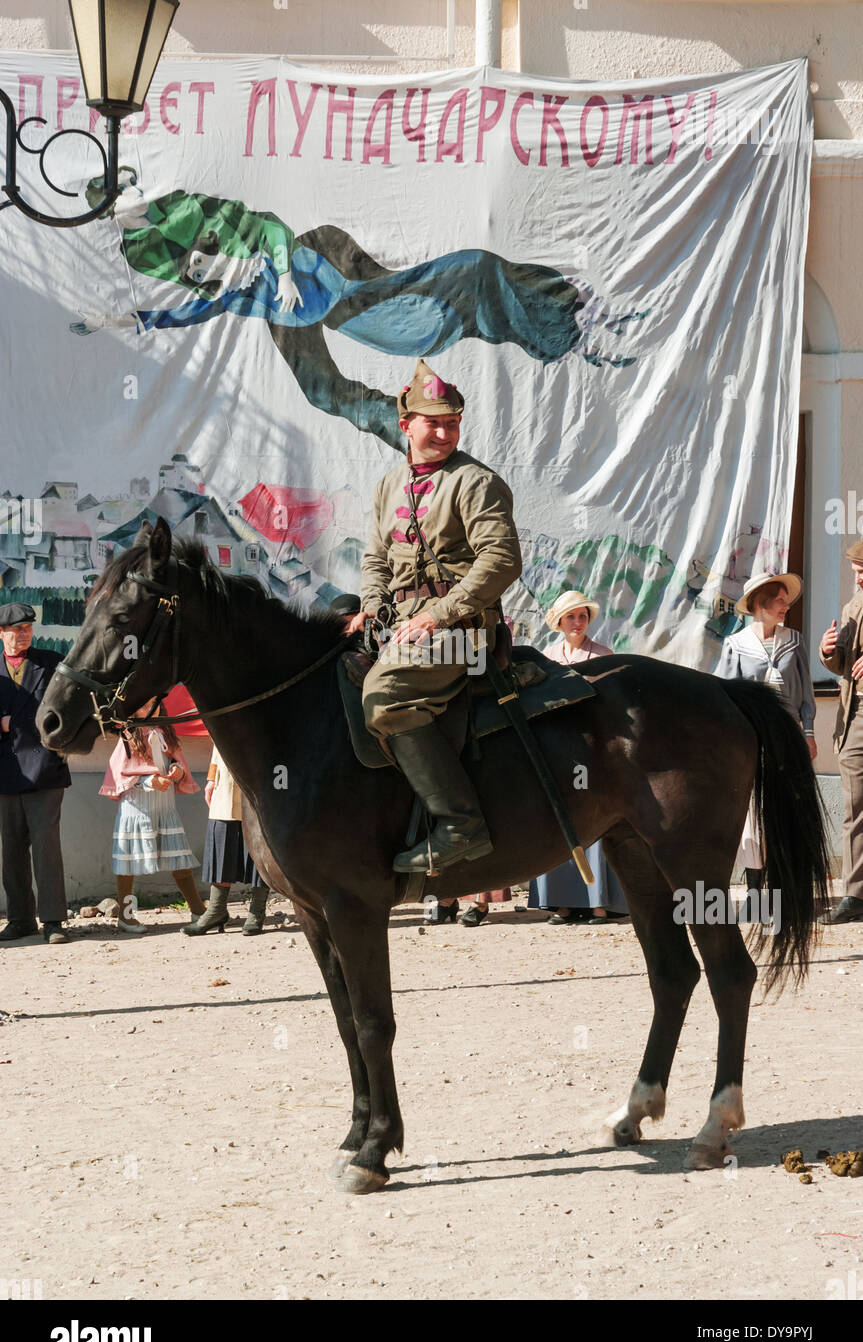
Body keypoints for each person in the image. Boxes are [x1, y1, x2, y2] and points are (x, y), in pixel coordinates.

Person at [71, 175, 645, 452]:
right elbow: (189, 312)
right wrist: (122, 322)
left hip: (336, 278)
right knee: (325, 392)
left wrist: (289, 270)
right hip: (322, 309)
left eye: (209, 264)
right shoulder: (235, 291)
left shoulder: (261, 243)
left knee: (467, 277)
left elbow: (270, 227)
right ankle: (409, 437)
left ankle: (569, 313)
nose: (210, 274)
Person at [346, 358, 523, 874]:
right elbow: (377, 557)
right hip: (400, 623)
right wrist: (372, 606)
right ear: (407, 427)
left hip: (463, 632)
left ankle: (459, 824)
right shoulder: (388, 484)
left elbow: (501, 559)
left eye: (452, 423)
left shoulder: (475, 481)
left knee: (383, 698)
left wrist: (439, 615)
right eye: (434, 422)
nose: (444, 432)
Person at [527, 591, 628, 924]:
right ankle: (562, 902)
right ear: (559, 621)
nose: (577, 621)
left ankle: (598, 902)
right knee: (558, 819)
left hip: (592, 747)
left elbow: (611, 703)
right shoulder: (548, 657)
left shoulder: (603, 654)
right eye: (571, 616)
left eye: (582, 615)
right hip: (558, 748)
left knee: (593, 817)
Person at [717, 572, 816, 903]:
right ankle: (756, 893)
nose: (786, 605)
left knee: (788, 808)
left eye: (786, 600)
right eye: (779, 600)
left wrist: (809, 733)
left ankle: (786, 890)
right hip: (754, 741)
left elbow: (805, 694)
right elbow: (728, 697)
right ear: (760, 603)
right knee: (754, 816)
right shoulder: (736, 645)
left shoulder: (796, 642)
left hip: (789, 740)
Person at [99, 705, 205, 933]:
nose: (150, 708)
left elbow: (175, 762)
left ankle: (198, 910)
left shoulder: (166, 733)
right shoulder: (127, 737)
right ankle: (126, 917)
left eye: (154, 704)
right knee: (128, 861)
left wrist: (178, 771)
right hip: (136, 807)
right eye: (143, 705)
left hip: (164, 806)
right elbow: (121, 774)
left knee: (179, 856)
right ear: (132, 711)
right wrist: (147, 782)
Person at [0, 602, 70, 945]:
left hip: (44, 768)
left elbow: (59, 713)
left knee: (45, 846)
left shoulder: (52, 663)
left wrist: (13, 723)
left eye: (27, 628)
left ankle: (54, 920)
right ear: (1, 633)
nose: (23, 634)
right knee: (11, 849)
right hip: (4, 771)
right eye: (15, 629)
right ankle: (21, 919)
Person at [819, 540, 863, 924]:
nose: (858, 577)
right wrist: (827, 651)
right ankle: (854, 893)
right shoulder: (853, 606)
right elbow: (842, 665)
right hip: (856, 716)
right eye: (855, 570)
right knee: (855, 808)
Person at [184, 743, 271, 937]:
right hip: (225, 785)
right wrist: (211, 779)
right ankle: (217, 910)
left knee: (260, 848)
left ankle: (257, 912)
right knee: (221, 841)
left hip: (259, 777)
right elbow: (218, 740)